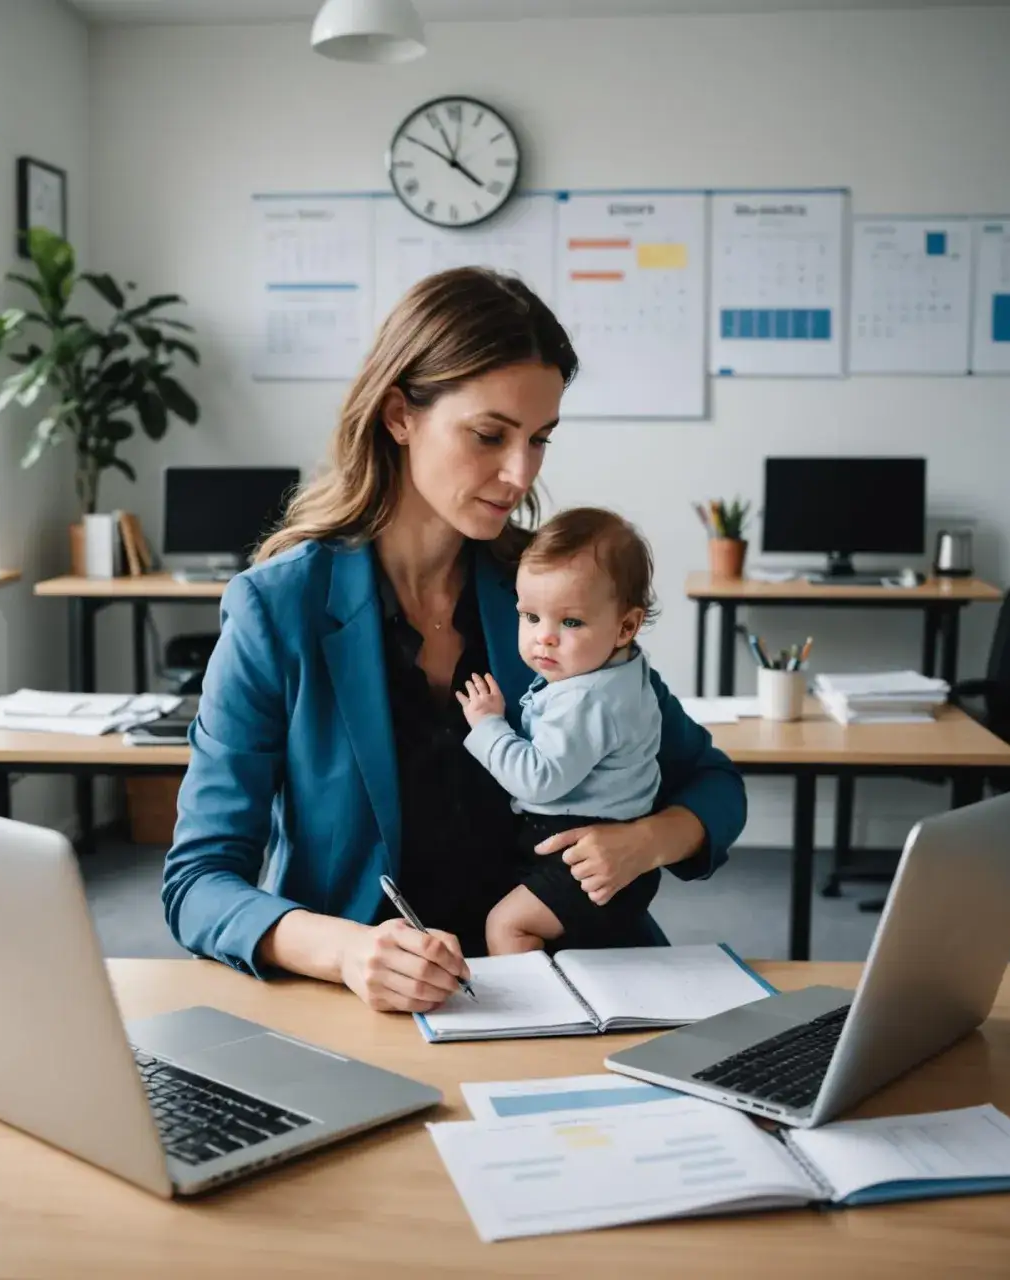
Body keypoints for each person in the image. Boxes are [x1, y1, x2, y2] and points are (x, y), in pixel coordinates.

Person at [162, 266, 746, 1015]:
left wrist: (652, 839)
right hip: (385, 1004)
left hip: (586, 986)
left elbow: (712, 784)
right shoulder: (279, 608)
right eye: (490, 435)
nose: (520, 472)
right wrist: (346, 951)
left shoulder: (552, 594)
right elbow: (200, 880)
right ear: (400, 414)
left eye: (539, 439)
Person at [456, 506, 663, 956]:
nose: (543, 638)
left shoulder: (586, 699)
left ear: (626, 625)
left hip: (583, 857)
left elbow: (539, 779)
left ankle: (534, 1015)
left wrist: (489, 726)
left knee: (507, 926)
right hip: (601, 853)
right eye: (530, 617)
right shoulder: (622, 670)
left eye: (570, 622)